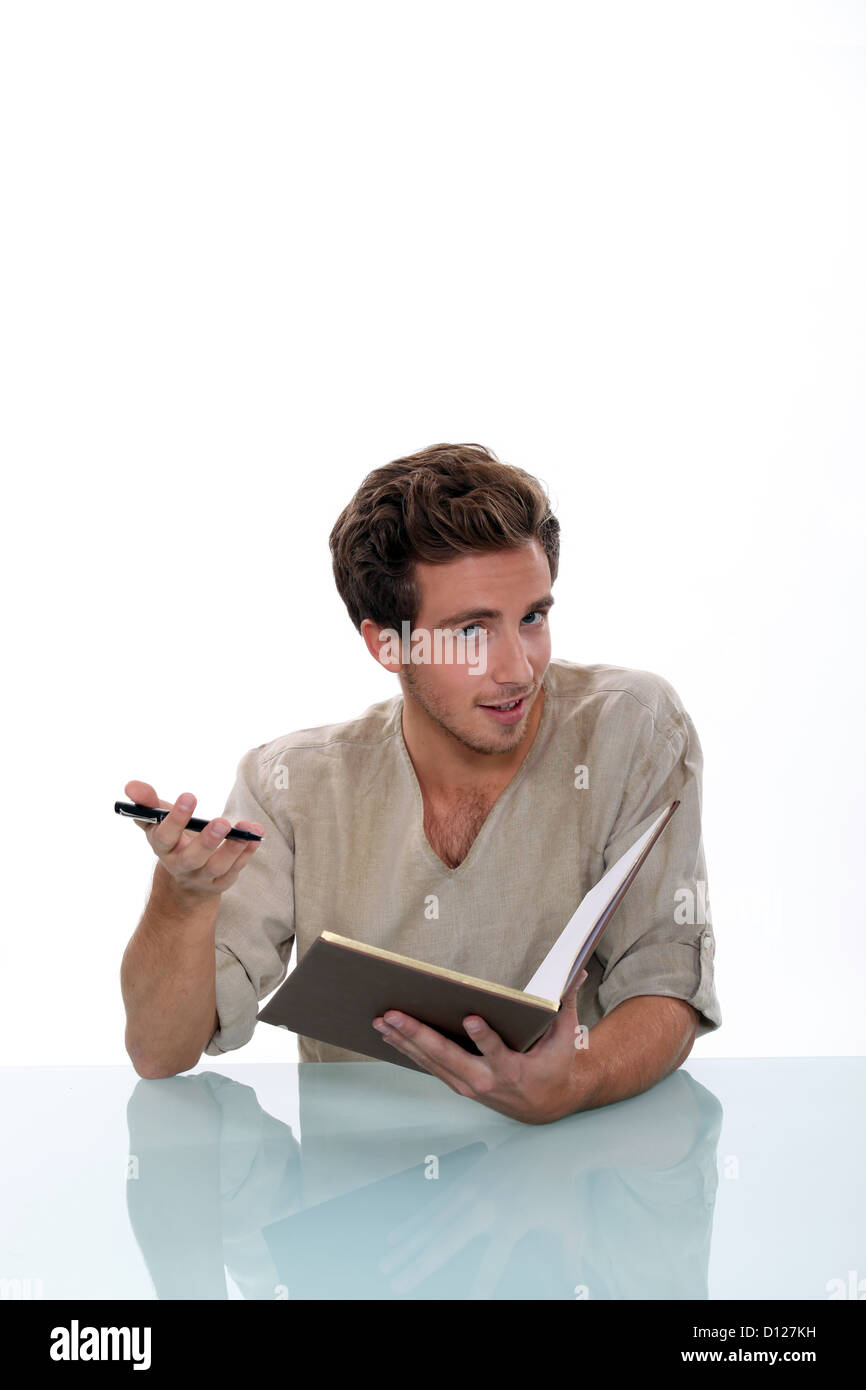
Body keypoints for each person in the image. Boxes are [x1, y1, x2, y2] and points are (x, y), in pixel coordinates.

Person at [121, 442, 721, 1124]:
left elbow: (667, 983)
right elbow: (160, 1054)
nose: (520, 668)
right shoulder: (289, 785)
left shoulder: (632, 729)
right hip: (366, 1200)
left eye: (533, 617)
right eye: (472, 632)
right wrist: (181, 900)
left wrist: (572, 1084)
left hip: (575, 1181)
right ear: (386, 644)